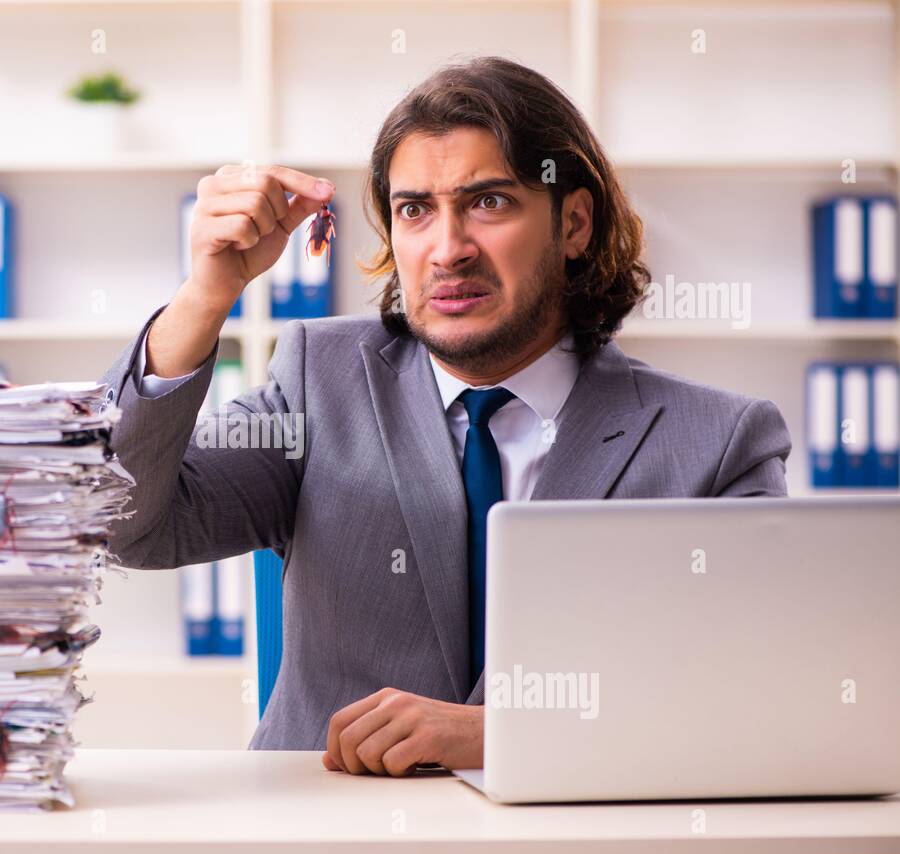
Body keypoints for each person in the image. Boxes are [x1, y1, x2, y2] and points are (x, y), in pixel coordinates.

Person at [98, 56, 792, 776]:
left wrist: (499, 734)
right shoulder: (320, 381)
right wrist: (206, 296)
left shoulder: (717, 443)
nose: (447, 248)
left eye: (489, 202)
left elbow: (755, 704)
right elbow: (122, 524)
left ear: (575, 223)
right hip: (330, 835)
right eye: (415, 210)